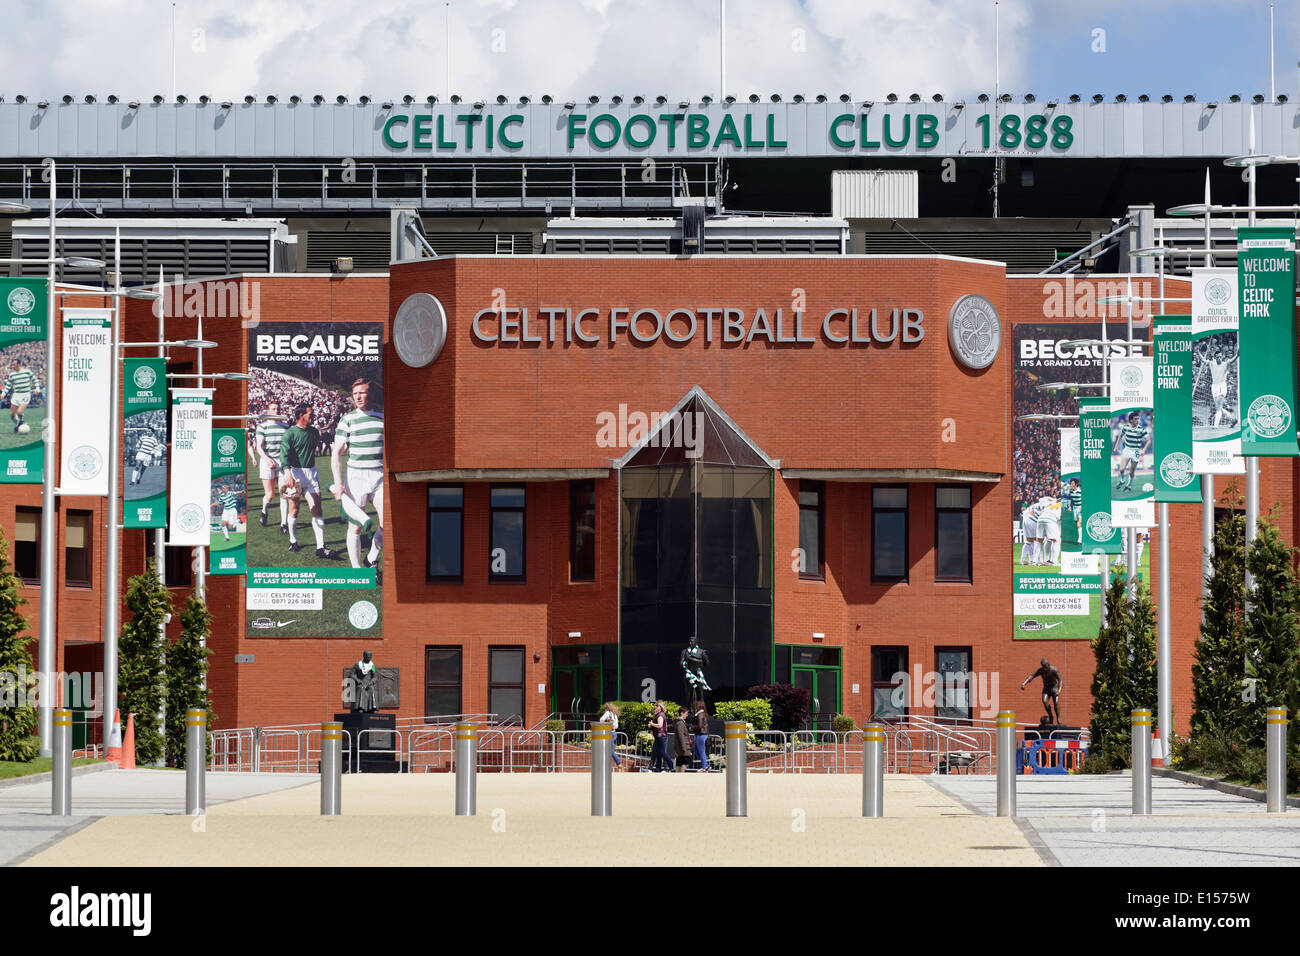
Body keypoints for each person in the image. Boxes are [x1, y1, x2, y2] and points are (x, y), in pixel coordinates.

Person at [331, 378, 385, 582]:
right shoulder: (347, 419)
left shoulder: (382, 418)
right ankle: (356, 572)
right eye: (356, 394)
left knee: (387, 524)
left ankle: (371, 559)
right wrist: (338, 484)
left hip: (379, 476)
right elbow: (336, 453)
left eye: (363, 393)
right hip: (355, 476)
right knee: (355, 526)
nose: (359, 397)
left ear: (371, 394)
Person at [279, 402, 340, 560]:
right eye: (310, 414)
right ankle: (293, 540)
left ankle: (321, 547)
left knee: (317, 508)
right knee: (294, 509)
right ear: (301, 416)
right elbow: (283, 455)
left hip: (312, 473)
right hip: (293, 473)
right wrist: (287, 474)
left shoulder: (314, 432)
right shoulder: (289, 434)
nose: (313, 416)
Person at [255, 400, 290, 534]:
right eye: (273, 409)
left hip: (282, 463)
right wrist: (267, 459)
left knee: (284, 494)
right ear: (268, 411)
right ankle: (264, 511)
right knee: (270, 495)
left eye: (278, 408)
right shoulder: (262, 427)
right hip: (267, 462)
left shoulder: (286, 426)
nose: (277, 411)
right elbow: (259, 447)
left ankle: (284, 524)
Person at [1114, 410, 1149, 493]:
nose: (1138, 421)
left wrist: (1143, 450)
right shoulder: (1125, 427)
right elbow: (1120, 436)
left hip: (1136, 452)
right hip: (1127, 450)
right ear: (1131, 420)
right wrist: (1116, 446)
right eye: (1136, 419)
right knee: (1122, 469)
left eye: (1138, 419)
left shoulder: (1141, 429)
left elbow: (1149, 440)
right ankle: (1122, 481)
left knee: (1131, 472)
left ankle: (1128, 486)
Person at [1021, 658, 1062, 726]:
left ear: (1048, 664)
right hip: (1046, 687)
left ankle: (1058, 718)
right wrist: (1024, 683)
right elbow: (1032, 675)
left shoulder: (1054, 669)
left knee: (1056, 702)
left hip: (1054, 686)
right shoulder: (1041, 670)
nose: (1045, 669)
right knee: (1044, 701)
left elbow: (1060, 680)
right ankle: (1051, 715)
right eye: (1043, 667)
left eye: (1045, 667)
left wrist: (1059, 690)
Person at [4, 358, 34, 433]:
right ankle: (20, 423)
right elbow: (8, 386)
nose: (13, 366)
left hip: (25, 394)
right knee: (12, 415)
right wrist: (3, 393)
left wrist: (37, 388)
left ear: (19, 364)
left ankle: (19, 424)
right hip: (16, 395)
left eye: (14, 364)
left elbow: (35, 380)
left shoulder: (27, 372)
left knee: (19, 412)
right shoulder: (12, 374)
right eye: (12, 365)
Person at [649, 702, 671, 772]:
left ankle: (671, 764)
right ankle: (658, 768)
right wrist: (651, 725)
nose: (655, 707)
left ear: (660, 707)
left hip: (661, 736)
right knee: (658, 752)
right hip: (659, 736)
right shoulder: (658, 715)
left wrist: (652, 724)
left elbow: (660, 725)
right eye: (655, 705)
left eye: (657, 706)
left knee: (661, 752)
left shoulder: (660, 715)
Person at [599, 702, 622, 769]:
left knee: (609, 750)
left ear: (606, 708)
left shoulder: (607, 713)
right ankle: (605, 765)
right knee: (607, 750)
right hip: (614, 732)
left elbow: (601, 720)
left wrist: (605, 724)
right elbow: (616, 726)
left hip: (608, 733)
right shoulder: (614, 715)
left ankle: (619, 763)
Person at [673, 705, 692, 771]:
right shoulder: (680, 723)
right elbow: (681, 736)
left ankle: (678, 777)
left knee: (680, 763)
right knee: (685, 762)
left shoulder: (680, 722)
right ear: (682, 713)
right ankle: (681, 776)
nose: (687, 715)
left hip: (681, 748)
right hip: (683, 748)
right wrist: (684, 747)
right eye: (686, 713)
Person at [694, 701, 711, 772]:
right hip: (702, 734)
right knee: (697, 750)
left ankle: (704, 767)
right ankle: (706, 765)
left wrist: (692, 727)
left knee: (701, 751)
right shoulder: (703, 714)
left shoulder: (700, 714)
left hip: (701, 734)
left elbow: (700, 726)